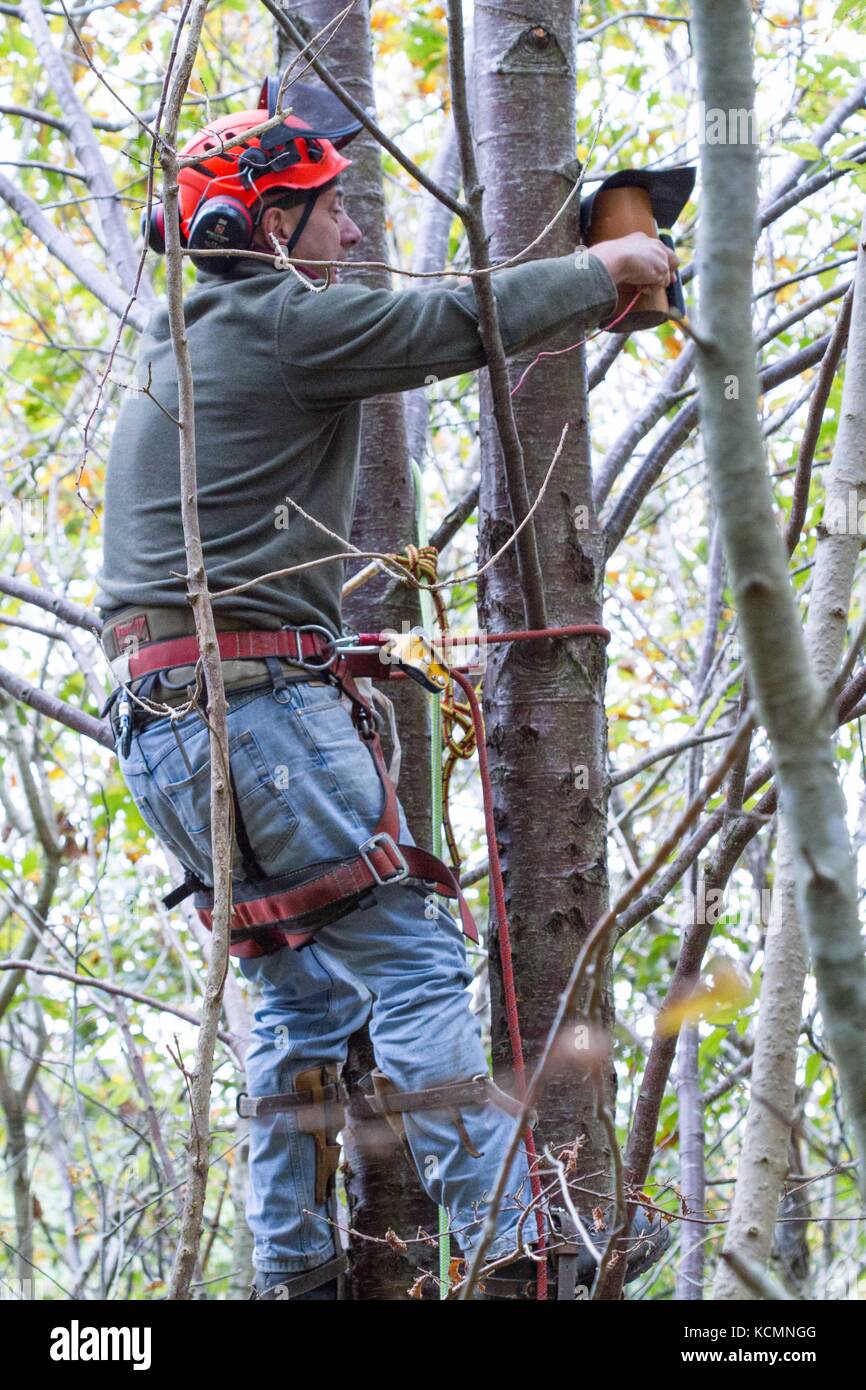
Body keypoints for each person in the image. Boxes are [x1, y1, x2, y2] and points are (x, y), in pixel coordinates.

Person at [97, 86, 677, 1300]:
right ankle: (524, 1252)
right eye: (328, 215)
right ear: (265, 233)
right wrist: (610, 259)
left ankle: (296, 1279)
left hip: (166, 727)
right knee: (410, 964)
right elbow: (452, 324)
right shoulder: (278, 329)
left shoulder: (185, 338)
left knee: (301, 994)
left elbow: (416, 317)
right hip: (254, 714)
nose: (352, 235)